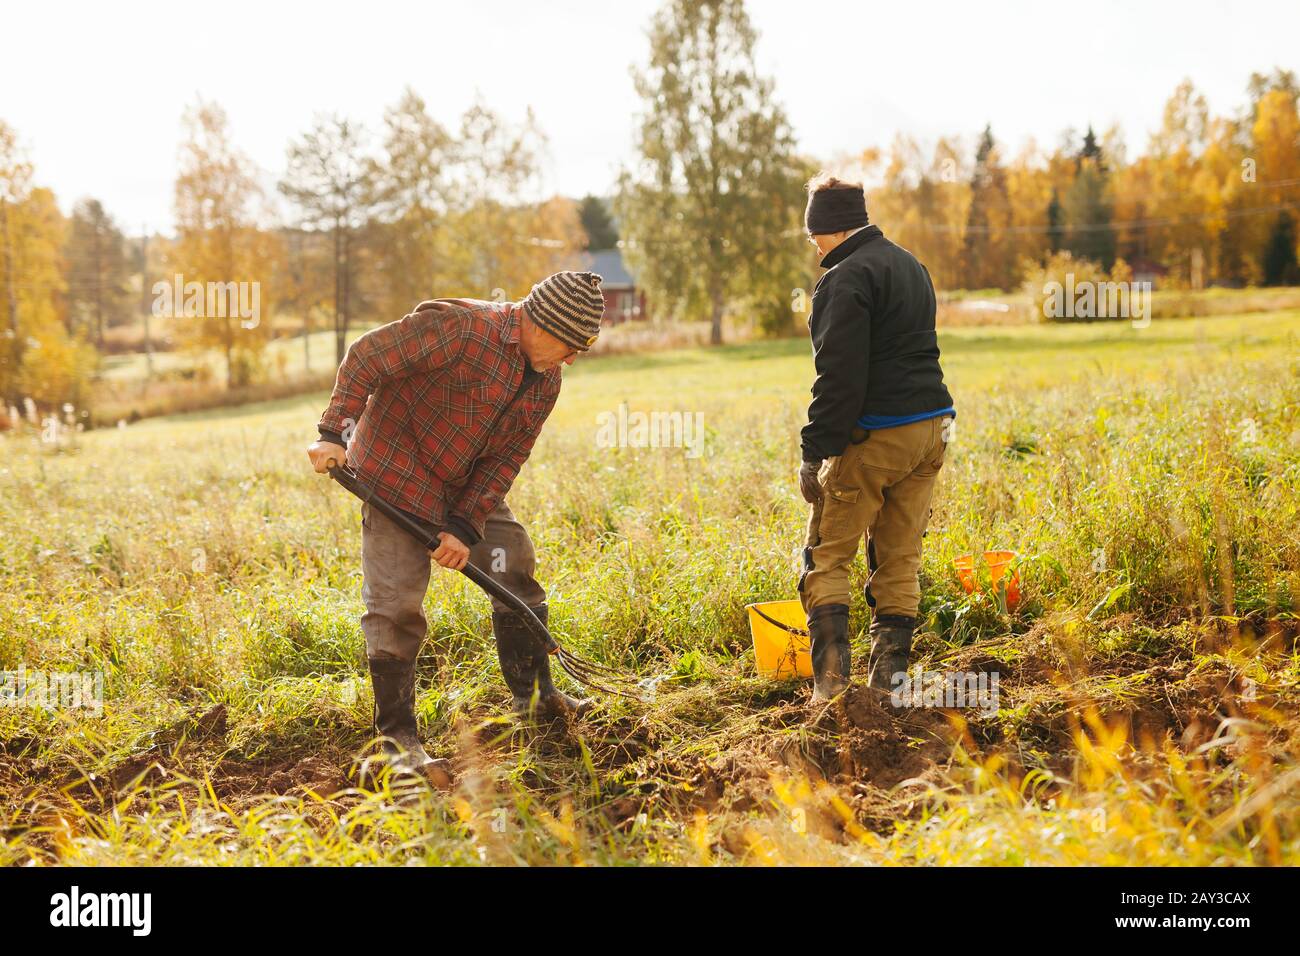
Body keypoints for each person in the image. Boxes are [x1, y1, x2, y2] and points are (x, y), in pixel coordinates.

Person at [307, 271, 606, 778]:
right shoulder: (465, 329)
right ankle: (398, 744)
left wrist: (465, 526)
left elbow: (506, 459)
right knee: (395, 604)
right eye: (571, 345)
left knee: (513, 564)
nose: (572, 358)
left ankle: (536, 698)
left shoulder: (546, 383)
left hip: (463, 487)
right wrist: (333, 430)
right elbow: (367, 357)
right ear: (543, 323)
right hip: (395, 477)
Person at [796, 173, 955, 702]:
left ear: (828, 228)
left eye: (813, 234)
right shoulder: (912, 265)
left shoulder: (844, 278)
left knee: (827, 556)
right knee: (900, 556)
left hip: (879, 435)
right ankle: (888, 687)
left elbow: (839, 379)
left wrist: (813, 451)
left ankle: (833, 695)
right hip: (932, 429)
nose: (813, 246)